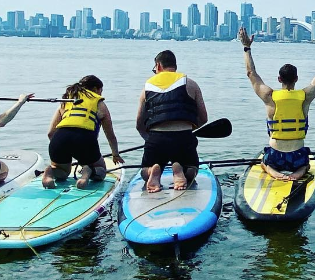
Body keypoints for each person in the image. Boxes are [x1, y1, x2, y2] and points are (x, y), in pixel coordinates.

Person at [238, 26, 315, 181]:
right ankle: (300, 171)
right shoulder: (305, 96)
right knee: (306, 164)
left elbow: (251, 73)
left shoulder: (269, 96)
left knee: (264, 163)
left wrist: (246, 47)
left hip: (276, 155)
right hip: (297, 155)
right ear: (296, 79)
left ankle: (271, 170)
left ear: (279, 79)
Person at [135, 50, 208, 193]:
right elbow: (204, 118)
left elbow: (139, 124)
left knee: (144, 172)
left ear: (158, 66)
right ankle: (182, 170)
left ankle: (152, 171)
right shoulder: (191, 84)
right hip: (184, 137)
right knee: (192, 170)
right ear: (175, 65)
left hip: (157, 139)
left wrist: (148, 138)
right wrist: (189, 128)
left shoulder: (147, 87)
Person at [41, 75, 124, 189]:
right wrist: (115, 155)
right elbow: (110, 135)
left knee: (62, 173)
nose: (101, 94)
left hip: (59, 138)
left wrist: (66, 150)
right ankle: (87, 171)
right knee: (100, 172)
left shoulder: (67, 100)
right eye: (101, 91)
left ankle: (50, 171)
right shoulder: (99, 103)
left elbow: (50, 133)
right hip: (84, 139)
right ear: (95, 89)